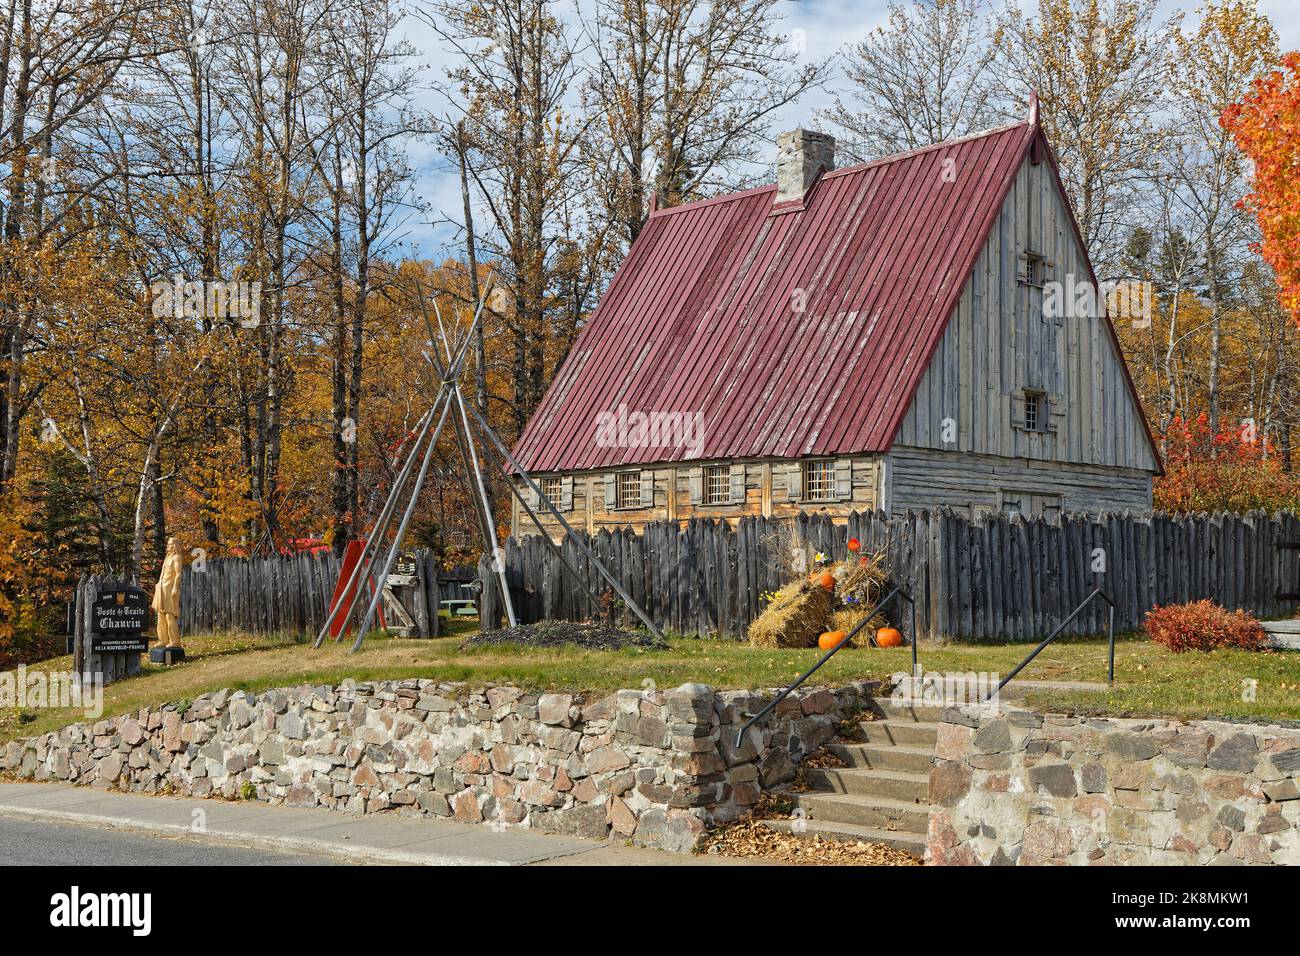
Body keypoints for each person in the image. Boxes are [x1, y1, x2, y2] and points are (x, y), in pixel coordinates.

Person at [152, 537, 183, 648]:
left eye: (170, 544)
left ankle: (175, 641)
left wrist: (175, 587)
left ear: (174, 546)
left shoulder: (177, 557)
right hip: (161, 588)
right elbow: (163, 572)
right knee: (160, 614)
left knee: (170, 615)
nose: (168, 546)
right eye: (168, 544)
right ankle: (163, 640)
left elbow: (178, 573)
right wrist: (158, 584)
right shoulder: (167, 557)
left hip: (170, 588)